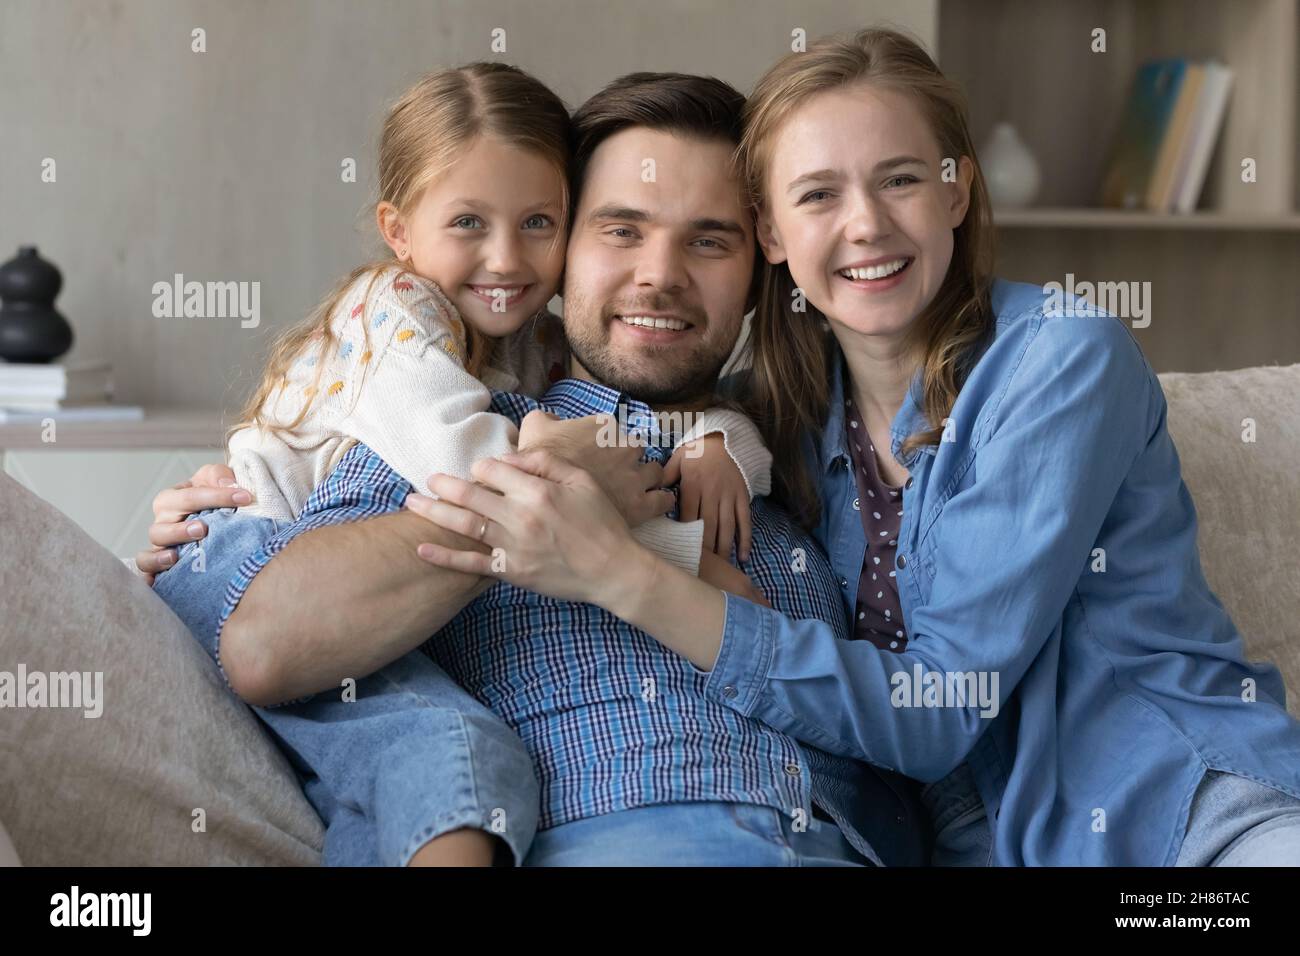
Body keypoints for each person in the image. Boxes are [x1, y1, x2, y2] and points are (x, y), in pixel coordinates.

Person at [428, 29, 1300, 866]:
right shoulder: (783, 418)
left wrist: (624, 573)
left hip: (1187, 824)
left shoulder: (1060, 358)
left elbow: (938, 710)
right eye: (818, 194)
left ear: (956, 192)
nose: (867, 225)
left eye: (901, 181)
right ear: (773, 233)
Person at [141, 71, 928, 867]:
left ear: (762, 265)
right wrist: (547, 507)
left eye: (708, 239)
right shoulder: (464, 437)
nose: (660, 273)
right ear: (571, 254)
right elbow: (265, 641)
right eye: (621, 230)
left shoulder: (802, 450)